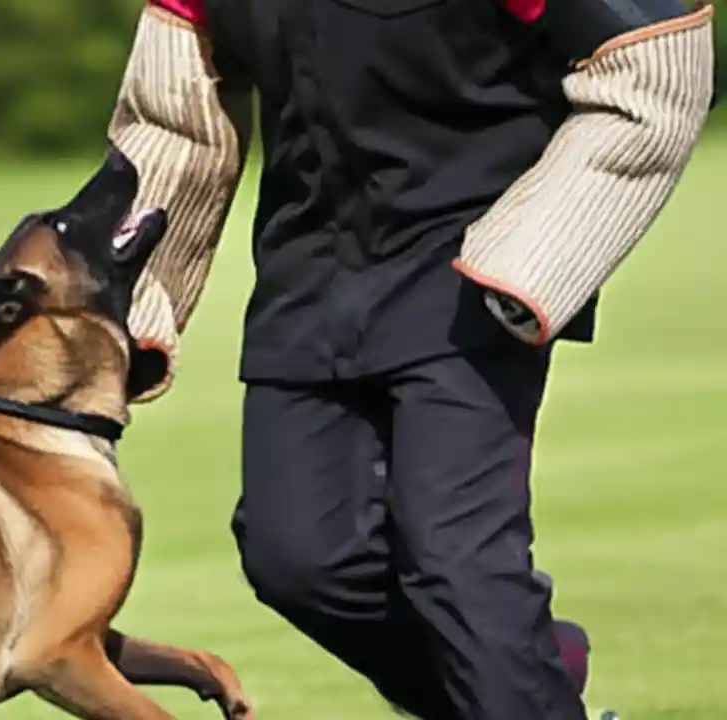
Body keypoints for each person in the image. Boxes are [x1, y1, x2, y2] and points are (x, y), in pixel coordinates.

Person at [81, 0, 717, 718]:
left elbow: (652, 57)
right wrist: (122, 303)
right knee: (298, 560)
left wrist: (545, 247)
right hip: (308, 274)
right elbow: (173, 119)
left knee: (457, 561)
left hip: (475, 267)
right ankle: (531, 681)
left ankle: (520, 686)